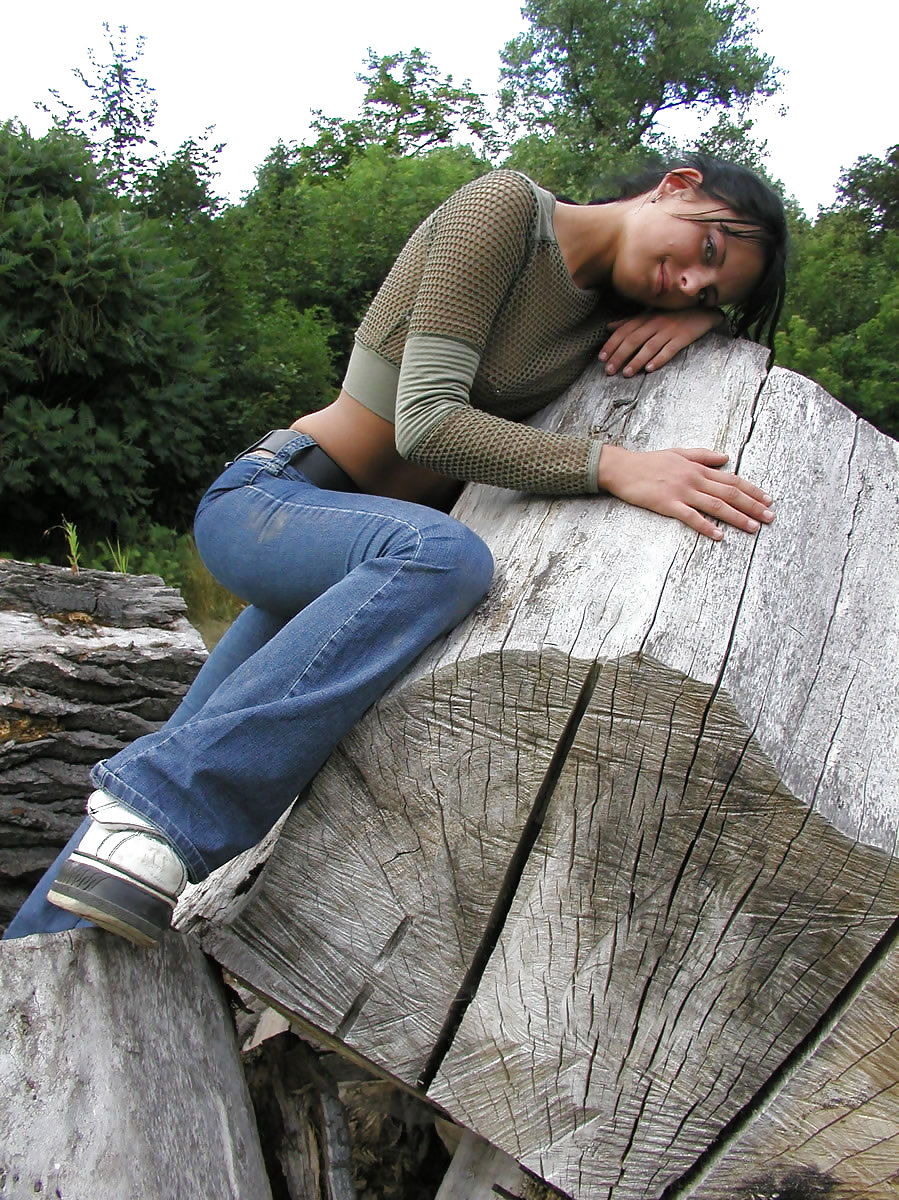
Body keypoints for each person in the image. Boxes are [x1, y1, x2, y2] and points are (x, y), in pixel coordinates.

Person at [5, 155, 787, 945]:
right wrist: (611, 465)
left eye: (708, 290)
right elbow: (427, 423)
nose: (690, 282)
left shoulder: (602, 317)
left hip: (362, 563)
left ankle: (34, 960)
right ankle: (171, 820)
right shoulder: (507, 212)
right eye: (706, 251)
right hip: (279, 501)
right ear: (676, 185)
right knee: (445, 557)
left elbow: (679, 306)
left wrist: (705, 323)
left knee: (165, 772)